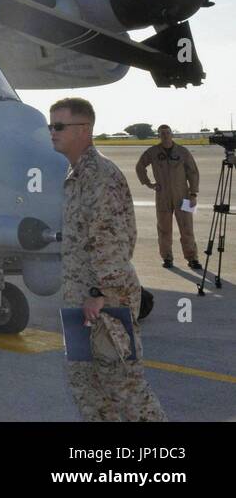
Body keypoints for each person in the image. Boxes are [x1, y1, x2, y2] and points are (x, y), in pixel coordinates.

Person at [49, 97, 166, 422]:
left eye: (59, 126)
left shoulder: (99, 176)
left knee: (125, 390)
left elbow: (112, 243)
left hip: (103, 303)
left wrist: (100, 296)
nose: (52, 132)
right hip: (80, 302)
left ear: (83, 129)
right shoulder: (75, 175)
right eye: (50, 126)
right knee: (87, 388)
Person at [134, 125, 201, 270]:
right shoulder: (152, 152)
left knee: (187, 228)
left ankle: (192, 258)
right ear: (159, 135)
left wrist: (193, 193)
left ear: (172, 134)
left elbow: (193, 172)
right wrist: (149, 183)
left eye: (167, 133)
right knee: (164, 229)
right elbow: (140, 166)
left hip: (184, 196)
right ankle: (167, 258)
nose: (165, 135)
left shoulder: (182, 151)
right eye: (162, 133)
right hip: (162, 196)